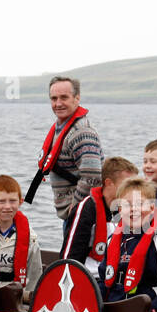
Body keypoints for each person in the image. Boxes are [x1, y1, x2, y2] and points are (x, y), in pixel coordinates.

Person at [98, 177, 157, 312]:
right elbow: (103, 279)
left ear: (152, 208)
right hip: (113, 308)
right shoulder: (112, 241)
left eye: (140, 204)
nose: (134, 209)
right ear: (120, 210)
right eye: (127, 205)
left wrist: (152, 310)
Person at [26, 76, 102, 227]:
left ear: (77, 98)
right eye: (54, 98)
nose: (58, 103)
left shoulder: (81, 132)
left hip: (81, 218)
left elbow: (93, 177)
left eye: (64, 98)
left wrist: (75, 210)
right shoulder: (61, 128)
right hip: (73, 216)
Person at [62, 157, 138, 272]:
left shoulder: (128, 210)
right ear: (108, 183)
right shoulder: (87, 209)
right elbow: (70, 256)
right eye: (127, 185)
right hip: (89, 277)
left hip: (116, 277)